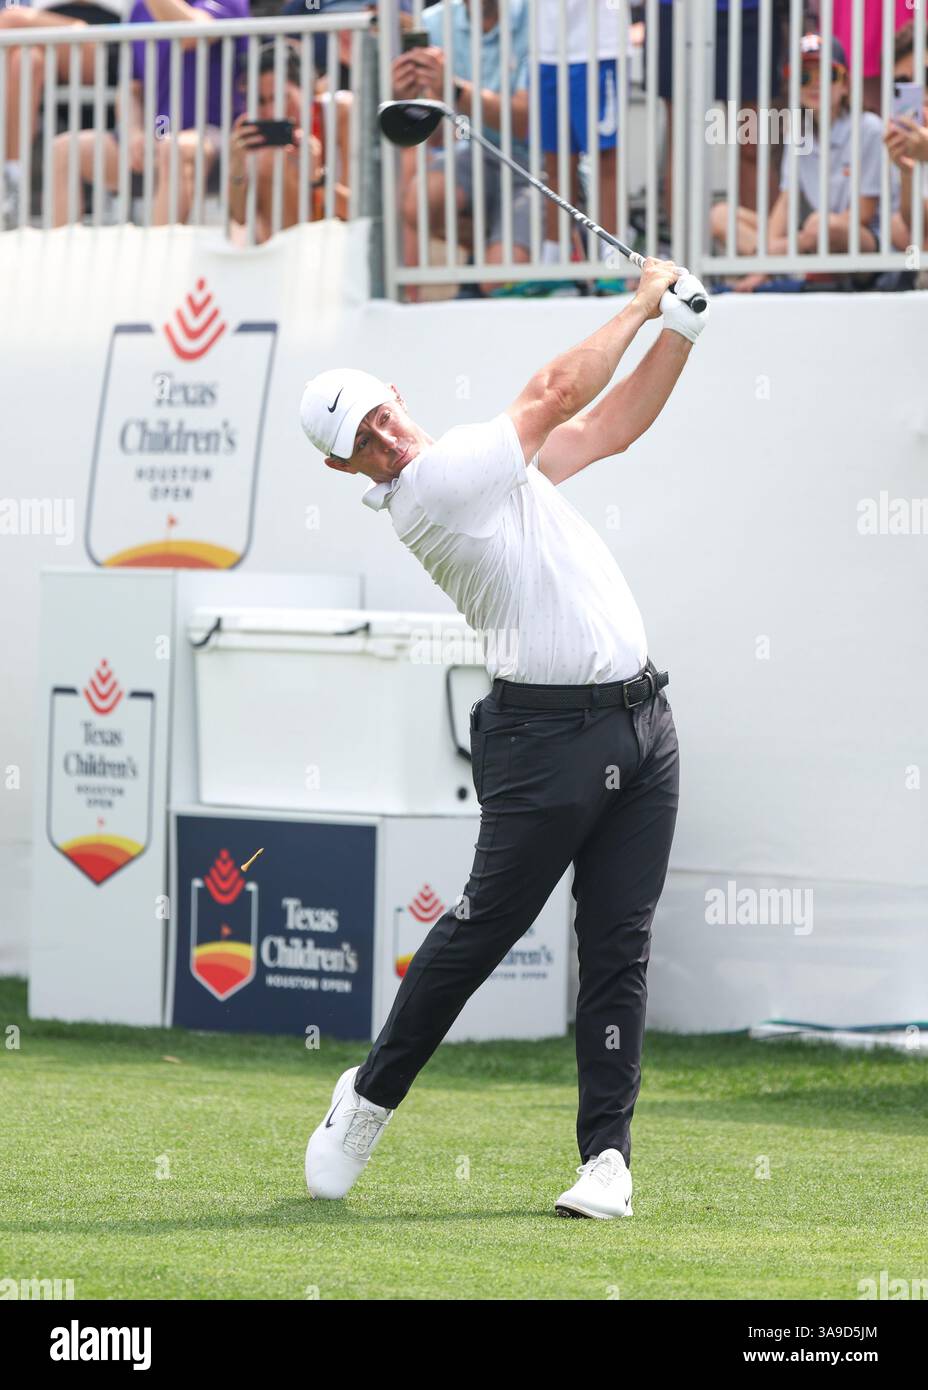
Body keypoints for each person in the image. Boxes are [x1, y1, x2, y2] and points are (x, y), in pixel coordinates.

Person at [298, 256, 711, 1221]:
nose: (384, 439)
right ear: (345, 469)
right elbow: (557, 391)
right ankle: (367, 1098)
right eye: (362, 444)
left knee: (618, 947)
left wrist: (681, 332)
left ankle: (606, 1161)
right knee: (483, 931)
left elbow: (607, 427)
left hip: (644, 726)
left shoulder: (489, 466)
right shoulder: (438, 487)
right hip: (544, 739)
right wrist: (642, 303)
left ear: (396, 397)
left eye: (380, 417)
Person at [709, 33, 885, 291]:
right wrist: (764, 264)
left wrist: (784, 248)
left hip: (865, 245)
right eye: (803, 77)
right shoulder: (799, 131)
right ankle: (786, 264)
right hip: (812, 237)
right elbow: (786, 202)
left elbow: (863, 214)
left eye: (828, 75)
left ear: (845, 85)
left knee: (820, 226)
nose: (815, 85)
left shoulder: (869, 128)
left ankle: (786, 262)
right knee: (720, 215)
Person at [49, 0, 249, 227]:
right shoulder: (140, 9)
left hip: (221, 137)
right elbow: (131, 89)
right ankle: (59, 251)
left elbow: (190, 35)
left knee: (174, 149)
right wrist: (133, 132)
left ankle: (159, 250)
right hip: (160, 133)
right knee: (65, 151)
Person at [391, 0, 533, 298]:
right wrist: (408, 101)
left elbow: (523, 122)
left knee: (497, 282)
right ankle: (407, 300)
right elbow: (436, 138)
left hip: (534, 166)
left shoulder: (536, 17)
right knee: (420, 195)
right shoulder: (433, 21)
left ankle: (492, 252)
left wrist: (453, 89)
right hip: (472, 157)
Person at [1, 0, 125, 227]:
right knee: (25, 62)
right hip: (45, 39)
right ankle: (14, 184)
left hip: (105, 35)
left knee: (11, 18)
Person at [537, 0, 627, 292]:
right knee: (556, 161)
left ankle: (613, 264)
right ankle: (554, 266)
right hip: (547, 45)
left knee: (605, 161)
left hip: (599, 45)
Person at [228, 43, 350, 241]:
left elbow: (357, 212)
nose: (271, 112)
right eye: (260, 101)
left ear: (307, 89)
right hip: (276, 247)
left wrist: (316, 178)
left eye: (280, 97)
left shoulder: (341, 112)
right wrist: (237, 166)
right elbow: (239, 217)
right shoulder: (249, 131)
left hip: (338, 244)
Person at [884, 20, 928, 257]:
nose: (920, 92)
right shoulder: (900, 136)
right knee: (898, 229)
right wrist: (908, 172)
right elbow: (918, 226)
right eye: (903, 83)